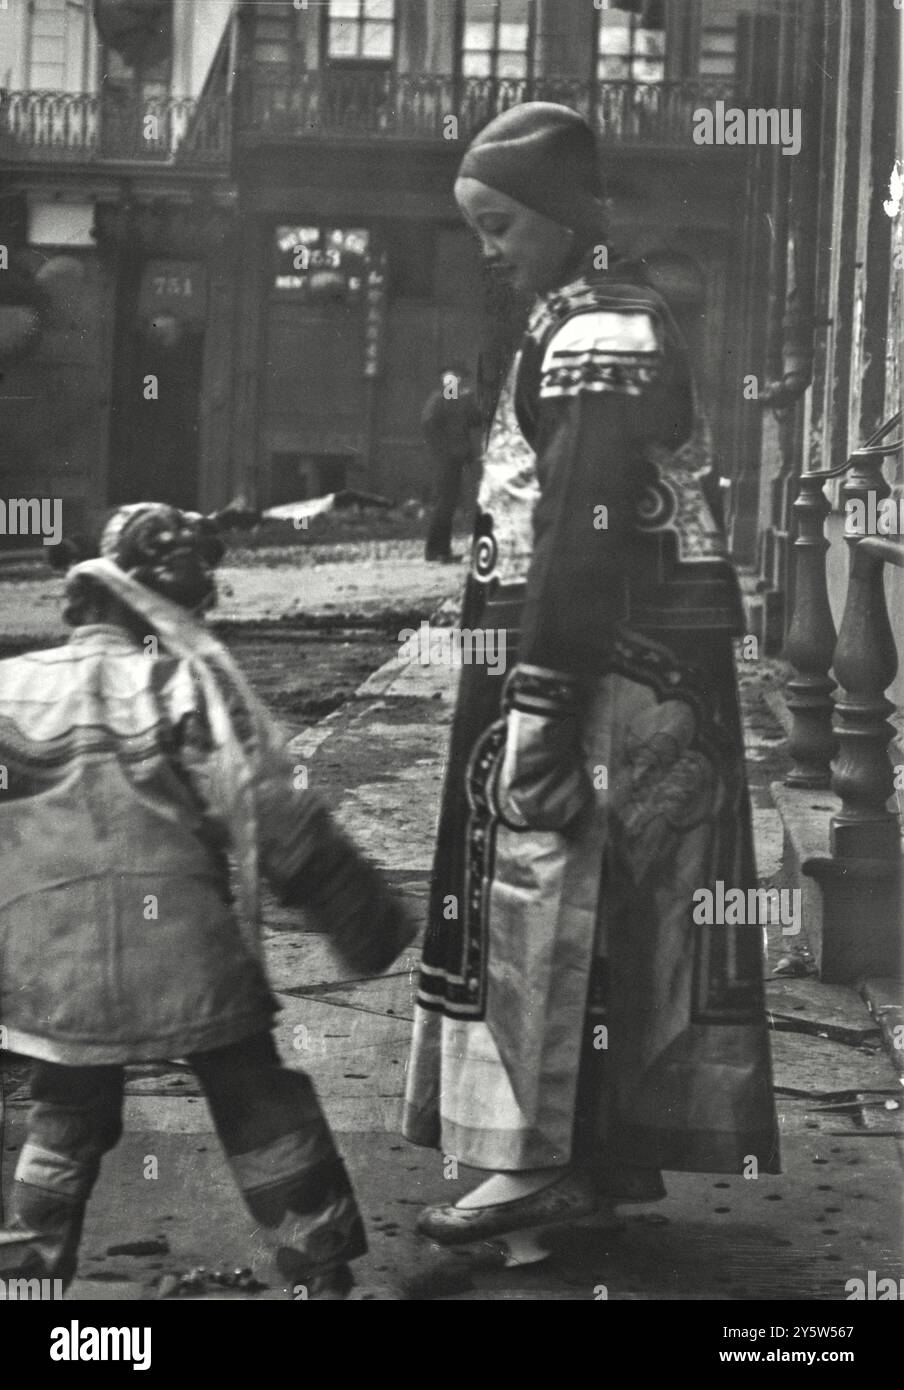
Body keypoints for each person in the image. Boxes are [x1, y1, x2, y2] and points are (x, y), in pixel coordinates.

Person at [402, 104, 779, 1249]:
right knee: (616, 911)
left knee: (545, 899)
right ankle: (596, 1159)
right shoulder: (592, 313)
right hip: (629, 659)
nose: (489, 246)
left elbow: (578, 529)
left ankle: (526, 1164)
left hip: (599, 666)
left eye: (502, 222)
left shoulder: (596, 333)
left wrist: (541, 706)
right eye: (477, 226)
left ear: (563, 217)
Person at [0, 502, 414, 1300]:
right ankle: (317, 1265)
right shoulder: (185, 681)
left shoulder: (10, 688)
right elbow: (268, 808)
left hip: (52, 964)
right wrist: (357, 912)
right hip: (184, 947)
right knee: (257, 1097)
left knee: (64, 1111)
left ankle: (28, 1277)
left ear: (86, 599)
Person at [421, 365, 482, 562]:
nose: (456, 382)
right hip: (446, 457)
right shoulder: (445, 398)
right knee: (445, 503)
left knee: (448, 503)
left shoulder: (452, 399)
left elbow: (474, 419)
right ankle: (435, 550)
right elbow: (433, 423)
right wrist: (445, 449)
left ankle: (441, 550)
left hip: (452, 456)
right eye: (454, 379)